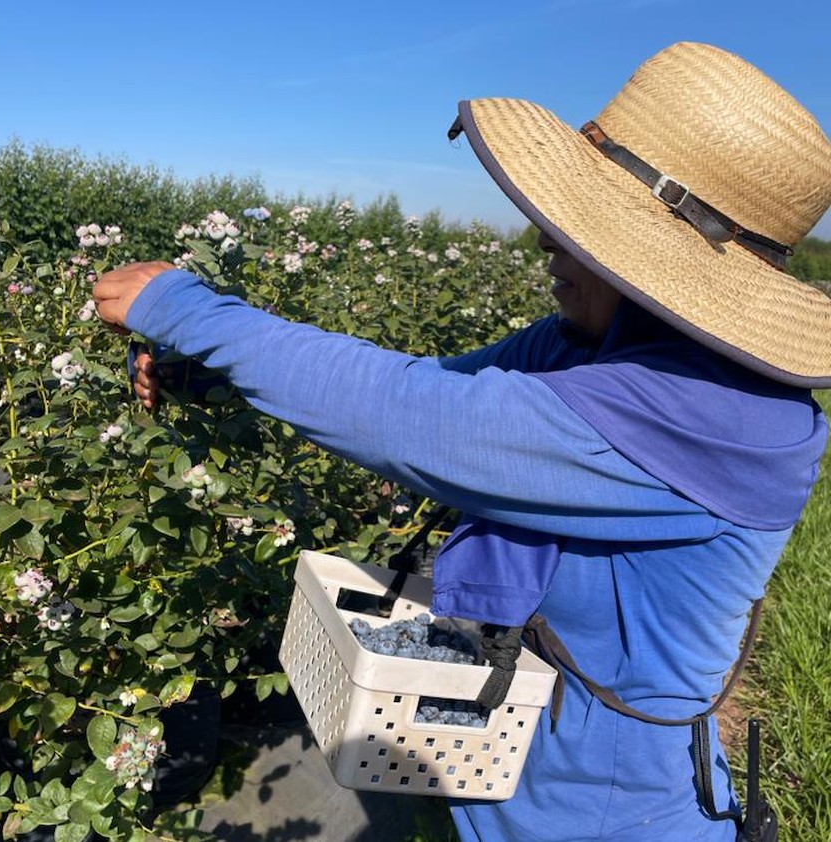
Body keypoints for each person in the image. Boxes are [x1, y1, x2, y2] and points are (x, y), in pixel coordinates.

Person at [93, 41, 831, 842]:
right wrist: (213, 374)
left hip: (609, 819)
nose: (546, 242)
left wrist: (190, 311)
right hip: (509, 779)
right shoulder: (591, 347)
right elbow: (437, 384)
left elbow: (421, 420)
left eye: (582, 231)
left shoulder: (724, 418)